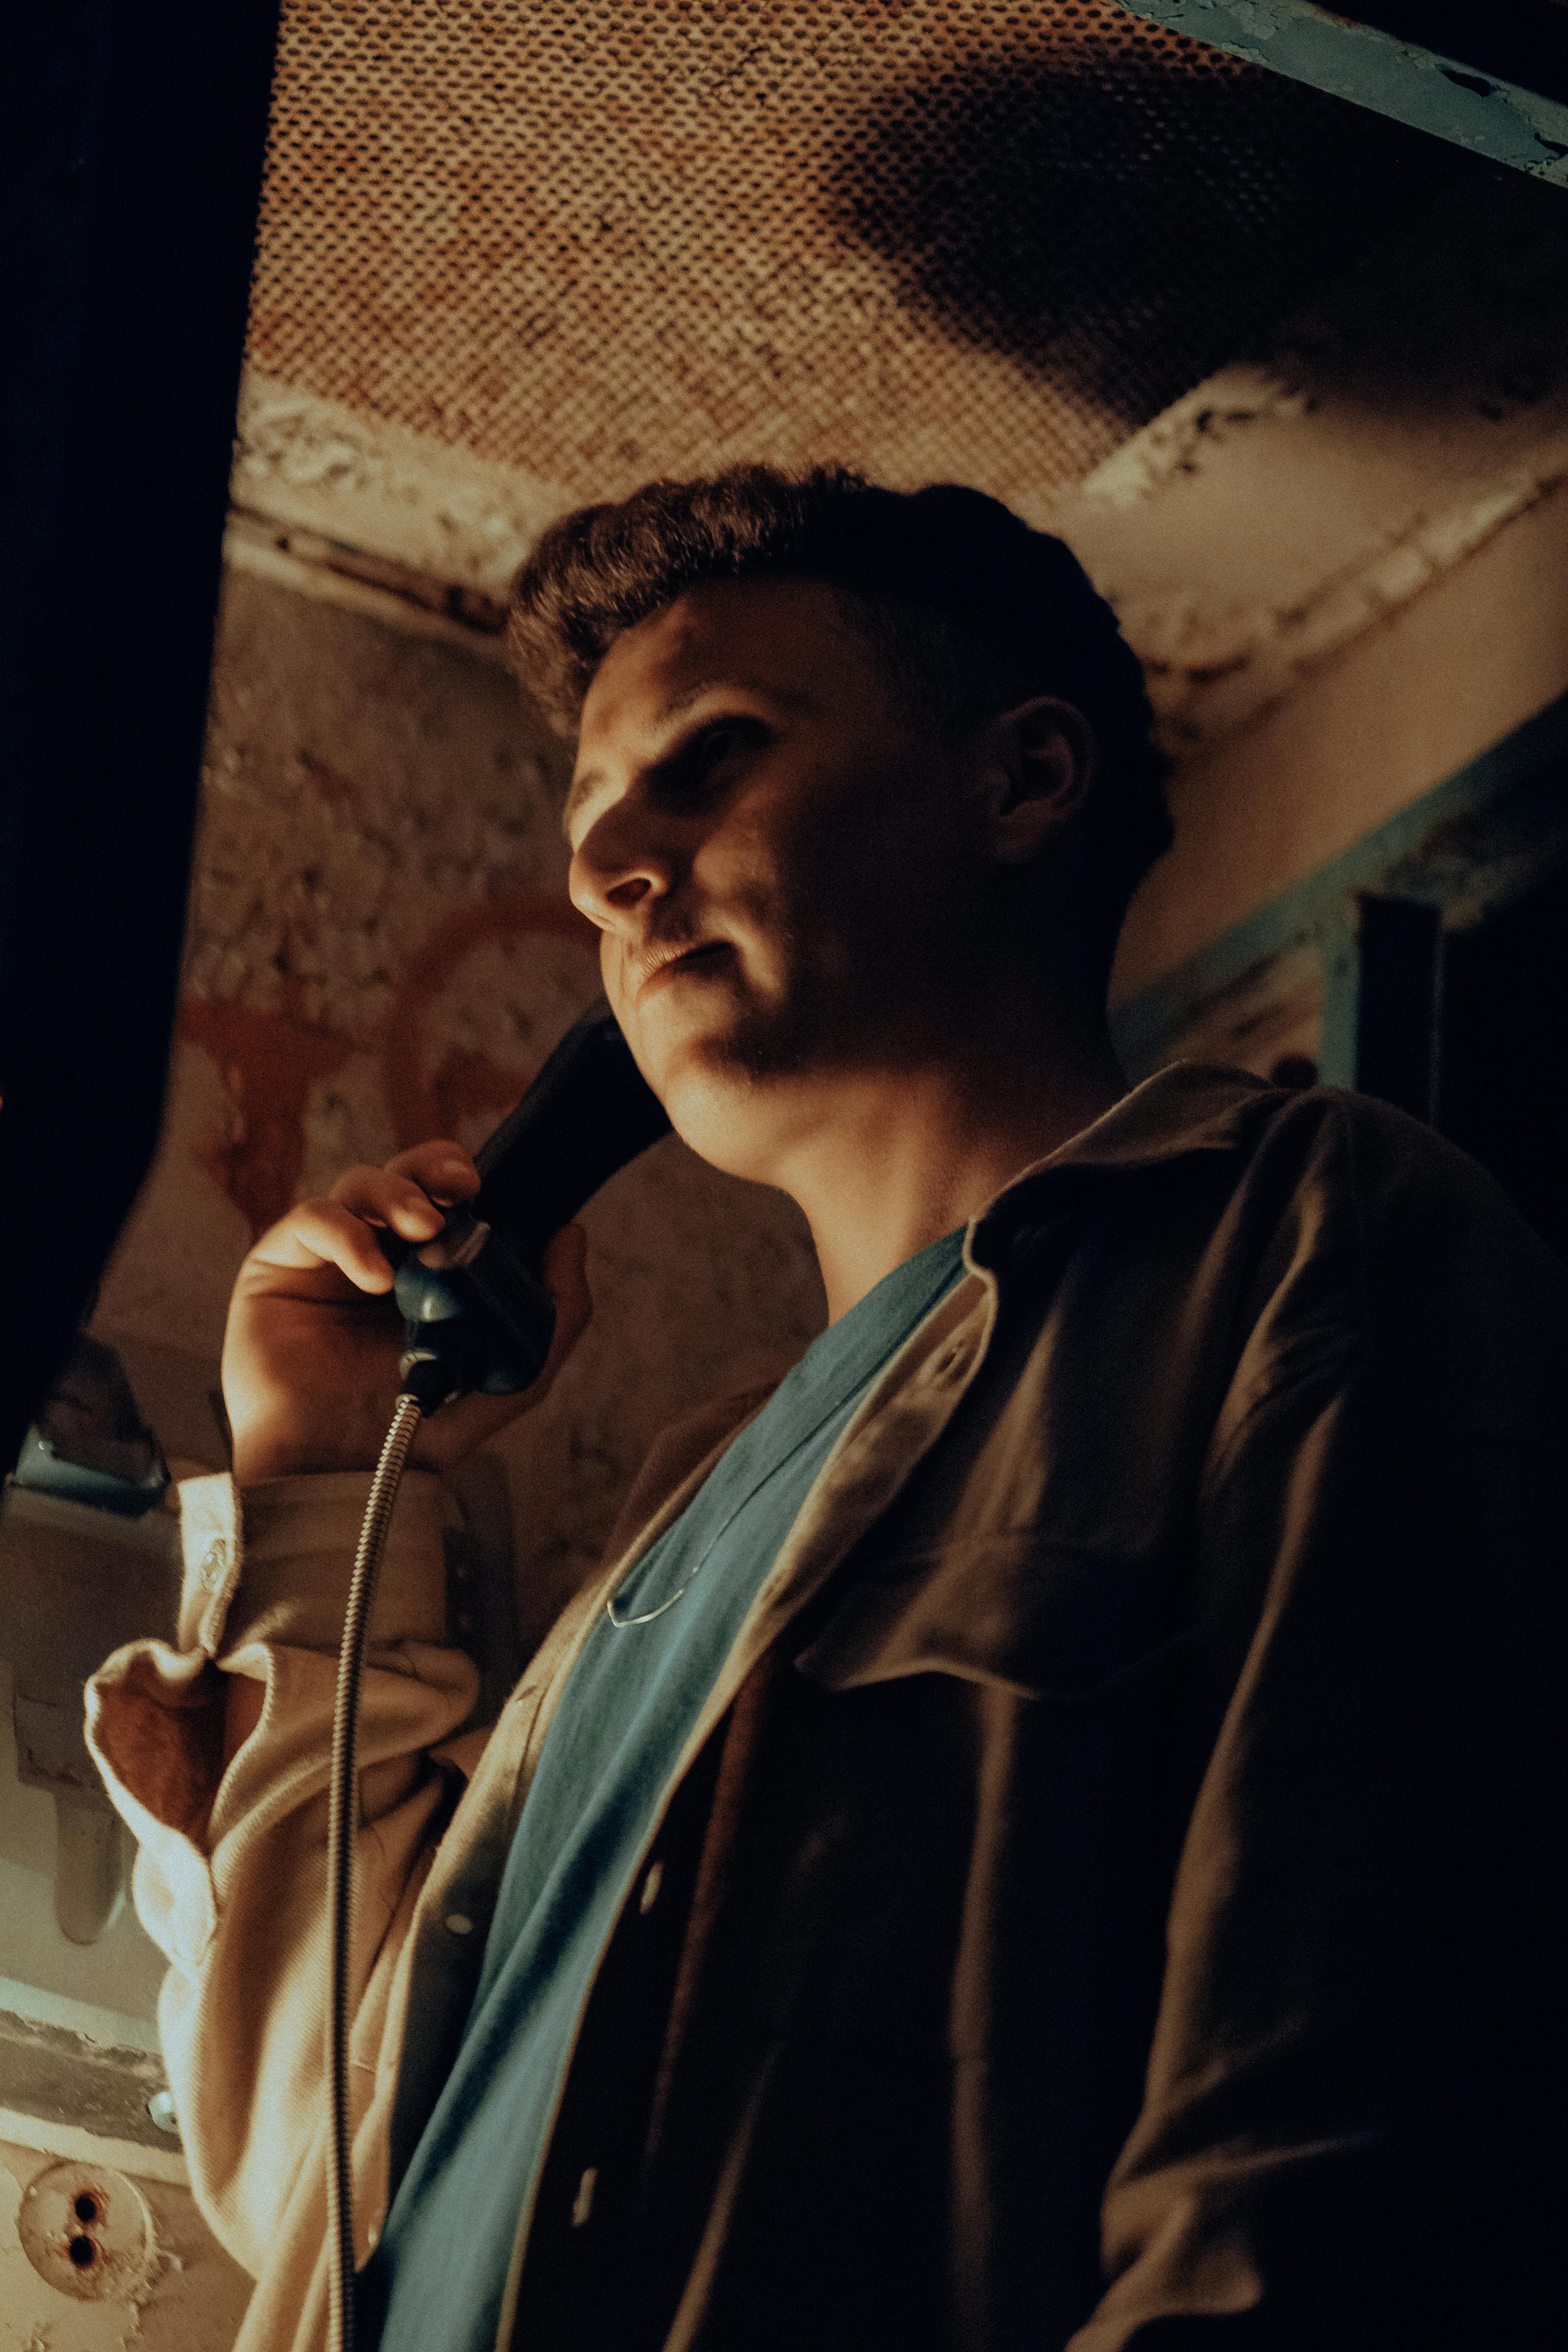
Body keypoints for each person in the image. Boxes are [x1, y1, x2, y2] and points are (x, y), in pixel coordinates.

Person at [88, 467, 1566, 2352]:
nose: (613, 874)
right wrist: (308, 1470)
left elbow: (1338, 2119)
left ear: (1021, 784)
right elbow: (309, 2163)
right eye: (589, 834)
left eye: (707, 765)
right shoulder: (684, 1517)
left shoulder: (1294, 1243)